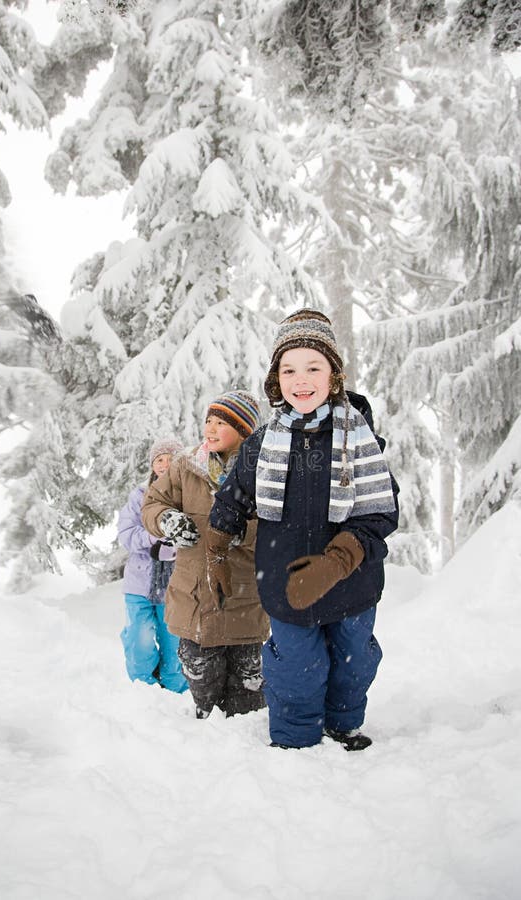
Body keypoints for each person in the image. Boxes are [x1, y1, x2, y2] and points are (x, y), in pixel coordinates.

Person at [206, 309, 399, 750]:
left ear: (334, 375)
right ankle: (295, 741)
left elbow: (381, 513)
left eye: (314, 367)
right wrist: (216, 549)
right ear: (277, 380)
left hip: (353, 584)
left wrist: (338, 561)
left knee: (352, 663)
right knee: (296, 666)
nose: (301, 380)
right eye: (289, 369)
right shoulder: (262, 444)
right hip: (286, 584)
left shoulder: (358, 440)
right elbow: (233, 498)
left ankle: (343, 726)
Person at [142, 391, 269, 718]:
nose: (210, 429)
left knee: (247, 691)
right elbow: (153, 503)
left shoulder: (262, 469)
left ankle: (242, 738)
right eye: (208, 420)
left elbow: (280, 525)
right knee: (200, 678)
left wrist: (244, 532)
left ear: (243, 431)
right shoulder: (185, 465)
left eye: (221, 423)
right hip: (195, 598)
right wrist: (166, 519)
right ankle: (206, 730)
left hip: (244, 598)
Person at [117, 438, 187, 693]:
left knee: (175, 645)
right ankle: (144, 690)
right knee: (140, 642)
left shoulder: (189, 495)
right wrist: (155, 536)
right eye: (159, 459)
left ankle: (175, 691)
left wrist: (176, 545)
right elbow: (126, 534)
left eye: (171, 459)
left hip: (176, 587)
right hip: (140, 583)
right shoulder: (139, 496)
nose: (164, 465)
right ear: (152, 465)